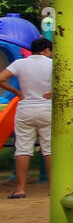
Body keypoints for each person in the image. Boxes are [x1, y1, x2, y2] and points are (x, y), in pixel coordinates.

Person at [0, 37, 54, 200]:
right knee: (49, 148)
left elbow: (1, 79)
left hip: (25, 108)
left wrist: (16, 92)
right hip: (46, 107)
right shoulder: (53, 64)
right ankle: (53, 188)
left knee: (23, 149)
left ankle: (20, 189)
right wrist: (54, 93)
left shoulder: (20, 63)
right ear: (46, 50)